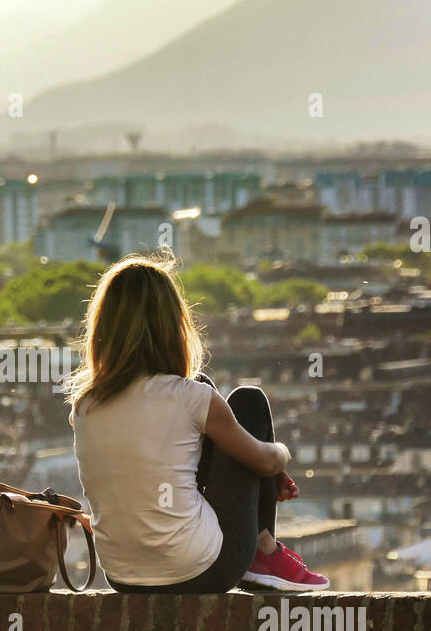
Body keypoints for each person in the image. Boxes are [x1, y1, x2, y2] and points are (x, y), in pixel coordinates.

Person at [67, 252, 328, 594]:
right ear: (172, 325)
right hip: (202, 570)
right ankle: (264, 553)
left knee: (203, 388)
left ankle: (262, 546)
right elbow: (264, 461)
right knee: (248, 401)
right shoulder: (188, 398)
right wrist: (280, 456)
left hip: (122, 576)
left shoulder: (85, 404)